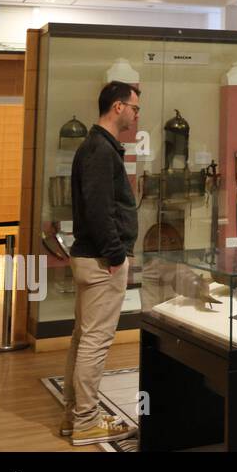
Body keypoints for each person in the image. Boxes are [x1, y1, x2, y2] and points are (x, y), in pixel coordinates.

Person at [60, 80, 141, 445]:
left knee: (84, 339)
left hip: (95, 257)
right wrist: (115, 254)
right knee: (95, 341)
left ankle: (74, 415)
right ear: (118, 107)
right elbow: (98, 208)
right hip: (100, 260)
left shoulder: (100, 147)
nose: (137, 115)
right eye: (135, 108)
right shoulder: (100, 150)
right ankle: (86, 420)